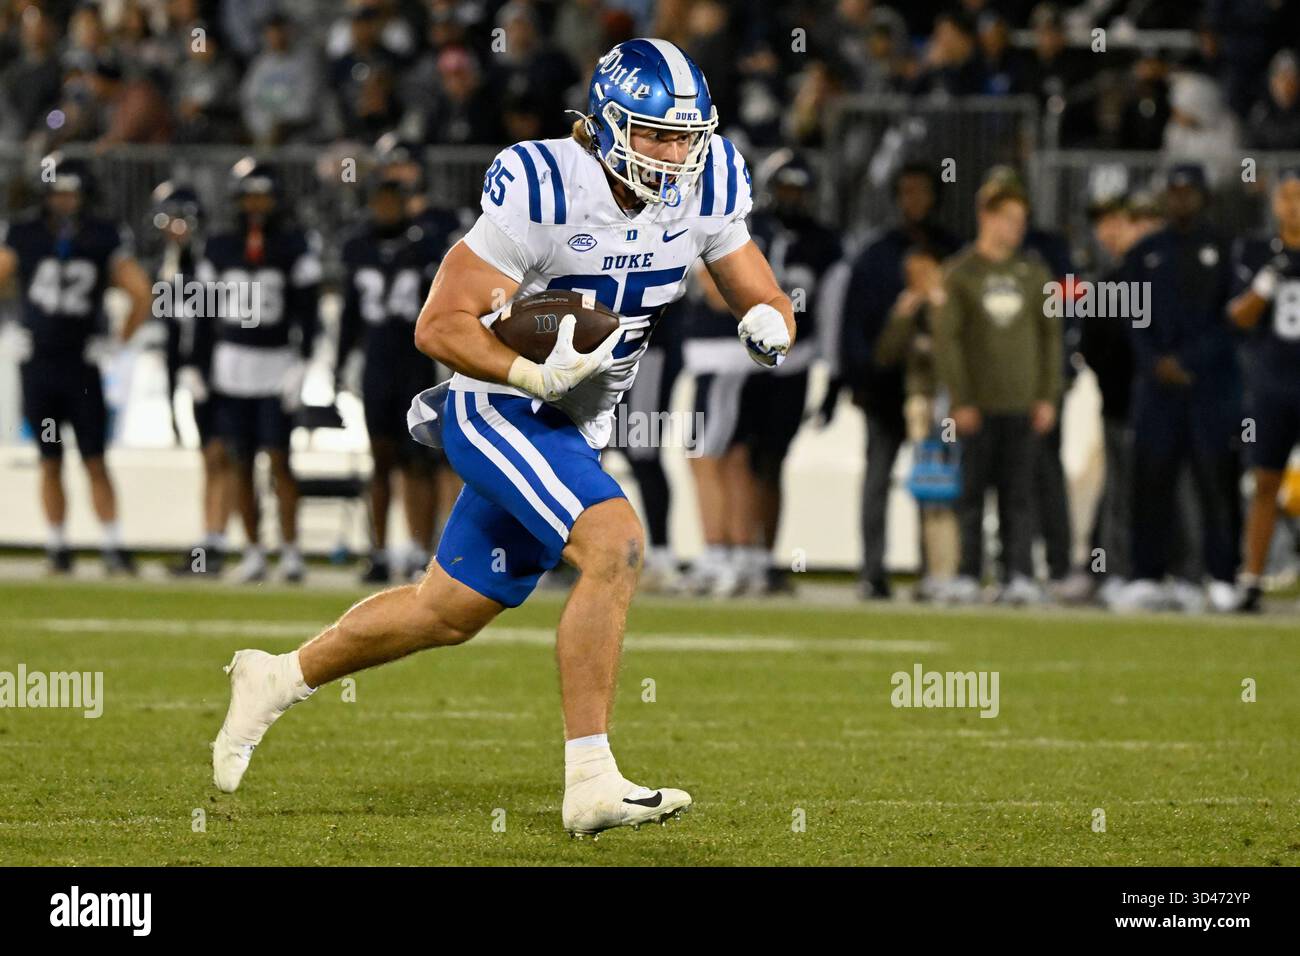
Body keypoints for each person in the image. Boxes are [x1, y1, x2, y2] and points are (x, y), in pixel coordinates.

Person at [212, 39, 796, 837]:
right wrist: (530, 377)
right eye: (656, 134)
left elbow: (756, 287)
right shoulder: (546, 184)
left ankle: (277, 676)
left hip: (570, 422)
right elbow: (439, 324)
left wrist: (771, 321)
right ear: (608, 126)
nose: (675, 152)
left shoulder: (712, 181)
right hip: (497, 405)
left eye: (686, 134)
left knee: (446, 610)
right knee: (615, 542)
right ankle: (590, 779)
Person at [0, 154, 152, 574]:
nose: (64, 200)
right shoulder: (24, 233)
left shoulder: (103, 235)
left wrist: (115, 343)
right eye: (58, 191)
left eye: (71, 192)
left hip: (81, 363)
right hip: (39, 362)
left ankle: (111, 543)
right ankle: (57, 544)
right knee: (49, 458)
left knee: (93, 456)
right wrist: (9, 328)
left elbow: (142, 292)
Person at [1117, 164, 1242, 613]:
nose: (1180, 200)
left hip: (1210, 387)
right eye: (1173, 192)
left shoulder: (1225, 249)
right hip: (1157, 389)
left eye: (1188, 192)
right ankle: (1146, 574)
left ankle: (1222, 576)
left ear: (1203, 196)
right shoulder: (1145, 252)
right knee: (1150, 481)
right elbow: (1130, 316)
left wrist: (1188, 361)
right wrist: (1154, 362)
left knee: (1215, 482)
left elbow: (1235, 318)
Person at [931, 175, 1061, 605]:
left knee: (1019, 496)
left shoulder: (1034, 272)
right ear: (985, 216)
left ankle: (1019, 573)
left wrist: (1048, 395)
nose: (1016, 227)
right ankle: (969, 574)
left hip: (1022, 402)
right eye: (1008, 218)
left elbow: (1051, 338)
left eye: (1021, 219)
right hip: (978, 405)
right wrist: (961, 399)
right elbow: (947, 342)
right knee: (971, 494)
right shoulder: (960, 273)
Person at [199, 159, 322, 584]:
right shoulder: (219, 245)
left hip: (275, 364)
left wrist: (304, 360)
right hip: (231, 365)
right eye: (249, 195)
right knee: (238, 461)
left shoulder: (293, 244)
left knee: (280, 460)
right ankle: (252, 549)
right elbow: (202, 311)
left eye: (262, 196)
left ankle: (290, 549)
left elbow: (308, 310)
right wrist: (197, 366)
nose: (255, 205)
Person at [841, 161, 958, 599]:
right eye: (906, 192)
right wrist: (857, 378)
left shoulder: (952, 250)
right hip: (884, 387)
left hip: (933, 391)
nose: (914, 201)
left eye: (922, 192)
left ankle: (936, 572)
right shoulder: (876, 255)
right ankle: (873, 570)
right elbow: (854, 324)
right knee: (877, 480)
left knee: (932, 482)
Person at [336, 175, 448, 583]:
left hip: (415, 365)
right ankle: (379, 552)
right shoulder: (358, 246)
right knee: (381, 460)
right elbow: (350, 312)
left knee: (418, 461)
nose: (386, 209)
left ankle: (420, 550)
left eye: (392, 201)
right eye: (379, 201)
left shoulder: (426, 246)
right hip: (377, 367)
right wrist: (340, 361)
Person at [1226, 167, 1300, 611]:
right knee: (1264, 481)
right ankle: (1251, 577)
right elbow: (1238, 316)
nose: (1293, 204)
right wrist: (1265, 284)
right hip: (1272, 384)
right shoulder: (1257, 252)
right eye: (1286, 195)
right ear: (1274, 203)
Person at [150, 180, 232, 576]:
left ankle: (220, 541)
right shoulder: (171, 263)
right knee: (210, 457)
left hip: (220, 372)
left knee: (223, 455)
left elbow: (211, 323)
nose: (174, 228)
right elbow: (174, 329)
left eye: (181, 220)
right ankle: (211, 541)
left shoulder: (206, 262)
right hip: (195, 372)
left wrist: (200, 367)